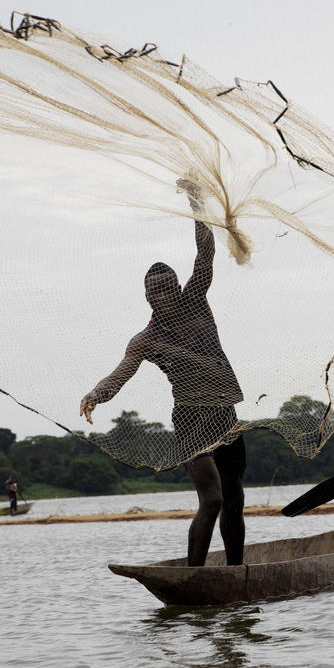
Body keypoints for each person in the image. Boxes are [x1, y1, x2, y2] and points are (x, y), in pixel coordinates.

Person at [80, 178, 247, 567]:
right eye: (155, 292)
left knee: (235, 501)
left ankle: (237, 575)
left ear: (177, 288)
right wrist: (96, 394)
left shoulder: (197, 302)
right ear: (147, 298)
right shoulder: (146, 339)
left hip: (225, 413)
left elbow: (204, 253)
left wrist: (195, 200)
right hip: (190, 418)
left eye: (168, 288)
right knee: (214, 499)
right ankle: (194, 576)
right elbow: (119, 375)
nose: (163, 295)